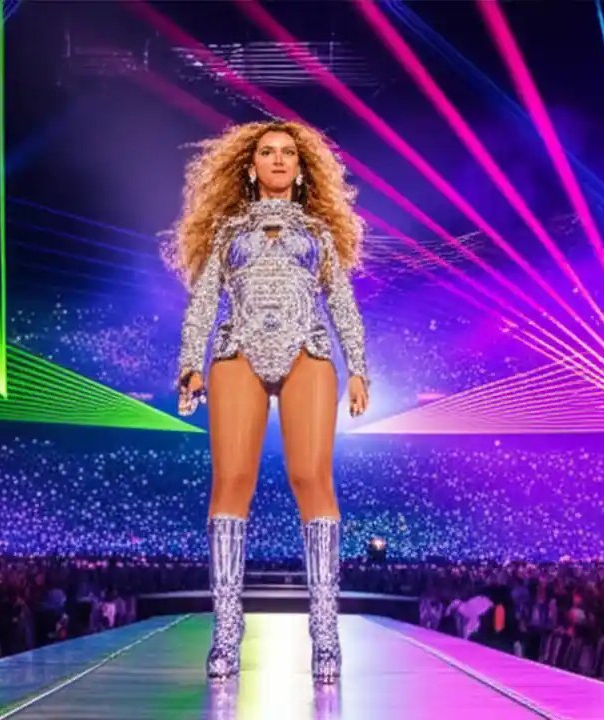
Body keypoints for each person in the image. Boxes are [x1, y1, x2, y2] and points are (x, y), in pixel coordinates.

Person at [167, 120, 370, 683]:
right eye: (267, 152)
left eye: (288, 153)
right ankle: (226, 632)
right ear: (250, 166)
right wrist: (189, 363)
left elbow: (342, 303)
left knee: (311, 477)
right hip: (238, 349)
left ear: (301, 169)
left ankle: (325, 635)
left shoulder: (319, 233)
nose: (278, 159)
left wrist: (358, 367)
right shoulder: (227, 231)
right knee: (231, 480)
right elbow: (203, 301)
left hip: (308, 347)